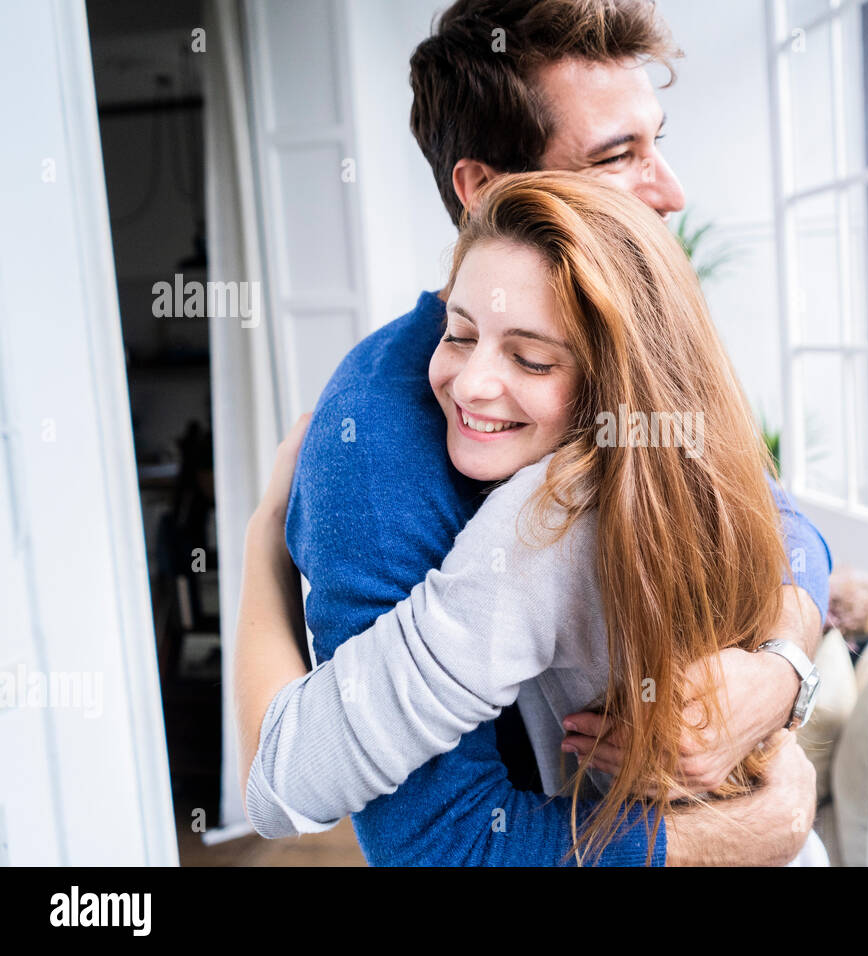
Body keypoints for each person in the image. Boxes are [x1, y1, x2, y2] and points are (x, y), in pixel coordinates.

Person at [237, 0, 832, 866]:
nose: (670, 191)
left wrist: (777, 671)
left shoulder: (634, 382)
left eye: (533, 358)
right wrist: (744, 833)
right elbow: (437, 845)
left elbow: (788, 531)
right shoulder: (375, 452)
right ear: (485, 190)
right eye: (616, 157)